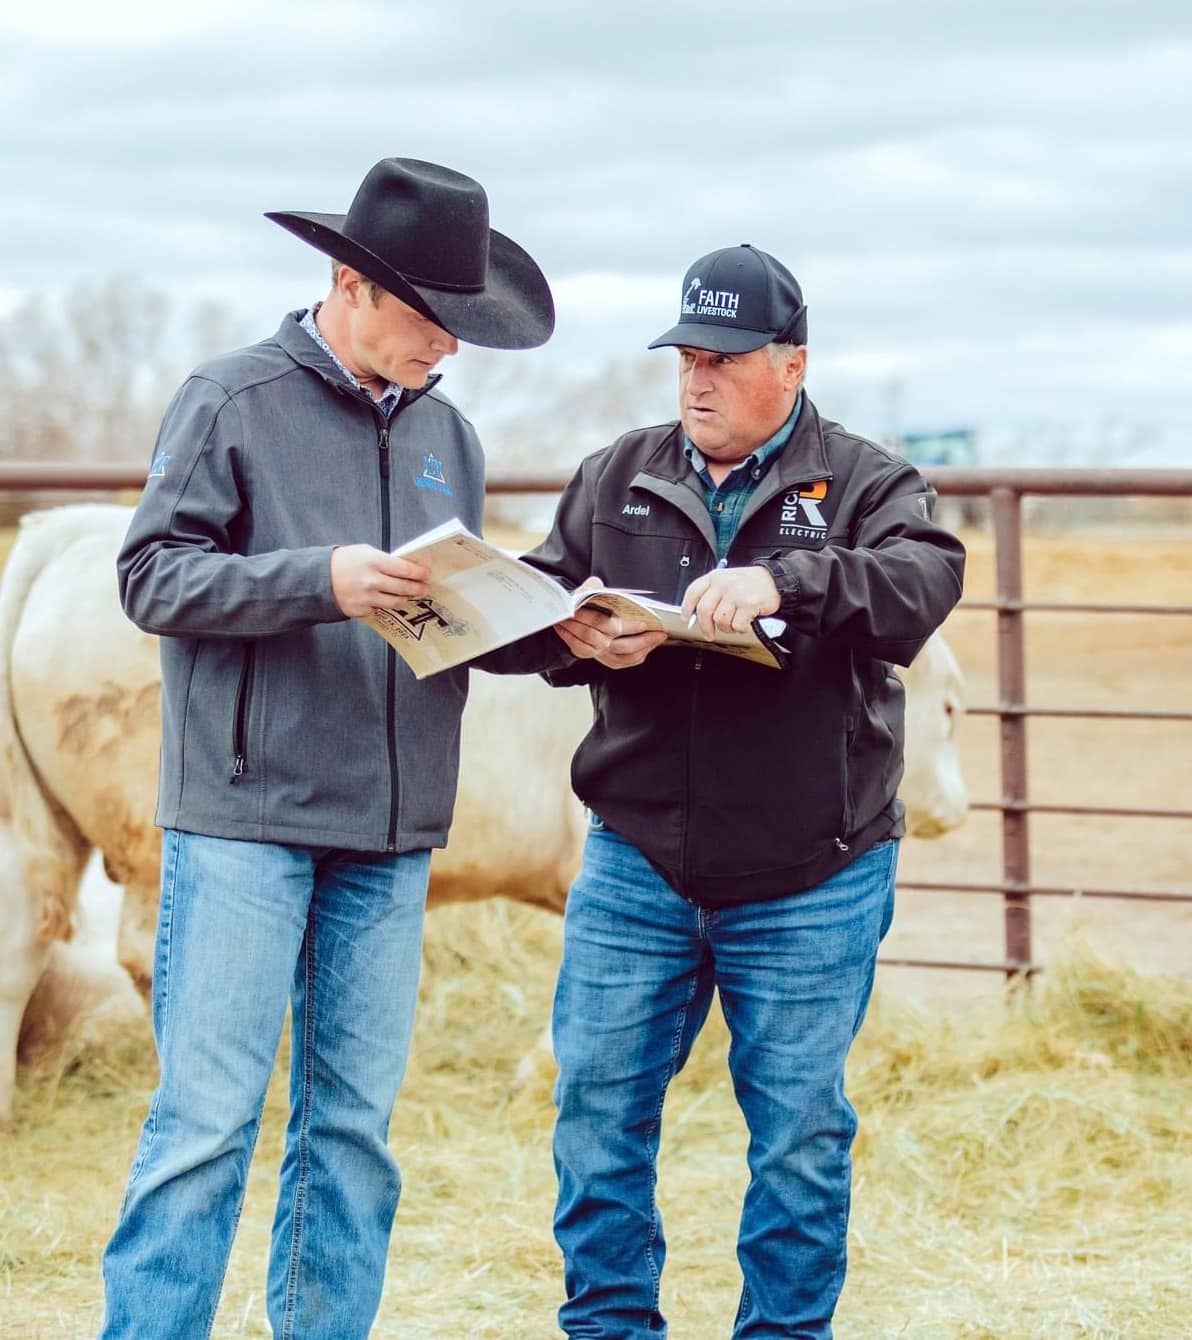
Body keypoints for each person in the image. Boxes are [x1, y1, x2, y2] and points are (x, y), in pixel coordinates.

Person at [97, 157, 559, 1340]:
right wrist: (324, 579)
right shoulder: (230, 400)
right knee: (206, 1121)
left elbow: (439, 617)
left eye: (461, 327)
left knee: (353, 1130)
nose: (446, 349)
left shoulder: (447, 433)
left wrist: (556, 633)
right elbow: (152, 576)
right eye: (430, 320)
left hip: (390, 832)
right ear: (351, 284)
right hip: (248, 818)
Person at [522, 243, 967, 1337]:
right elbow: (542, 595)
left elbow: (922, 578)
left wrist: (786, 578)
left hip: (812, 866)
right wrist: (568, 635)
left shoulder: (865, 481)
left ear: (791, 363)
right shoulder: (617, 473)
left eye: (724, 356)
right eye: (685, 354)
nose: (697, 378)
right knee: (594, 1114)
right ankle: (611, 1324)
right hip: (637, 859)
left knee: (798, 1135)